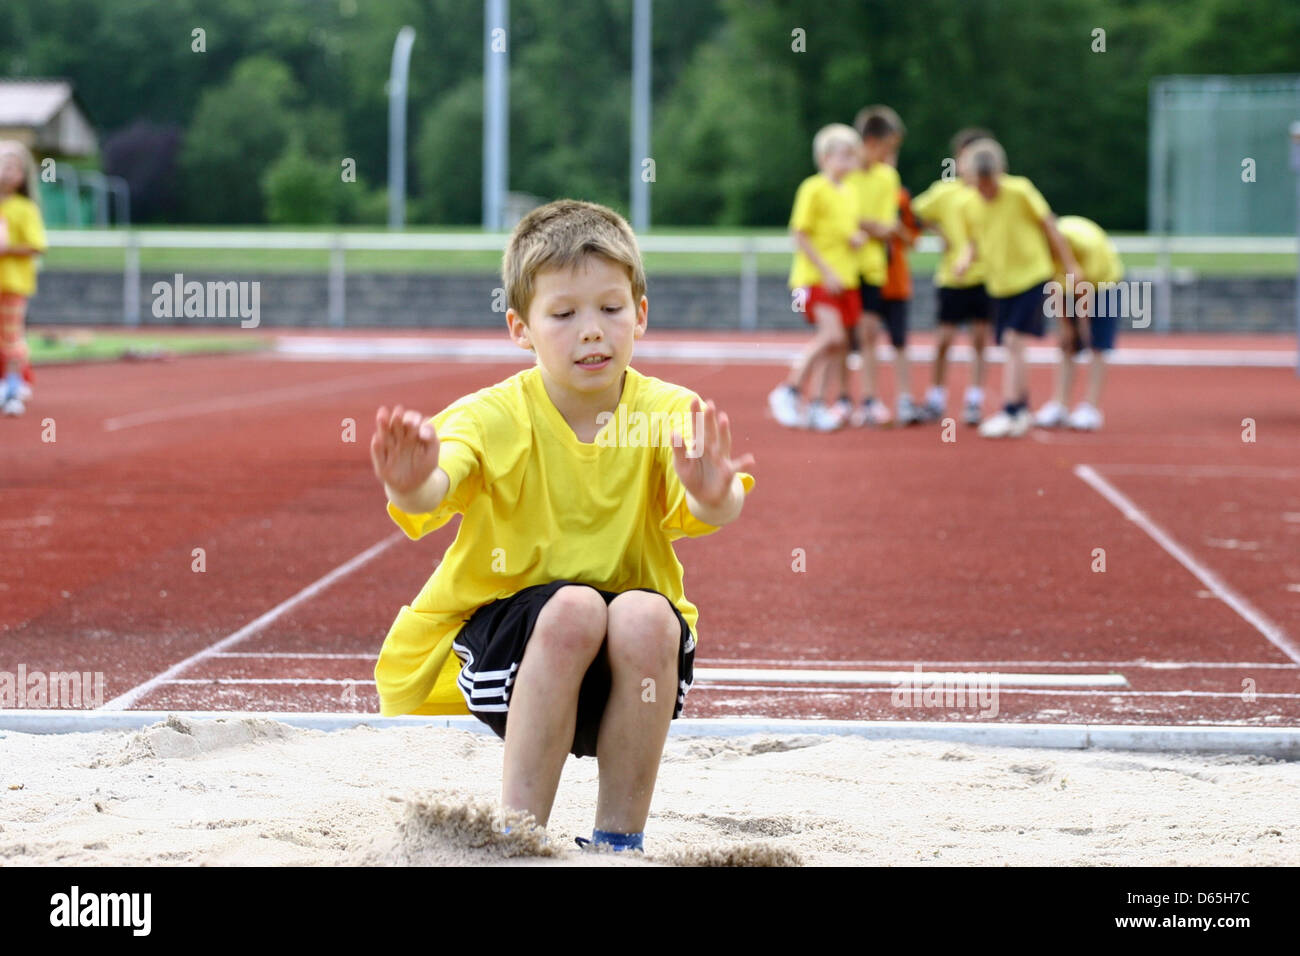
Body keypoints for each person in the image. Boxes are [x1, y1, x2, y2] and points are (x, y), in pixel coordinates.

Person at [370, 199, 755, 853]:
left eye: (610, 309)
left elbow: (714, 508)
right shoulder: (492, 415)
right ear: (521, 328)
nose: (592, 332)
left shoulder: (665, 412)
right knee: (575, 607)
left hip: (631, 671)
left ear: (640, 313)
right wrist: (411, 482)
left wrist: (713, 493)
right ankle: (517, 838)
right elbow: (438, 482)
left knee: (648, 617)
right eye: (564, 314)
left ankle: (617, 842)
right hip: (513, 653)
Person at [953, 138, 1079, 439]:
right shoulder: (967, 204)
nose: (985, 190)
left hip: (1031, 277)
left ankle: (1010, 409)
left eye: (989, 183)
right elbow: (974, 240)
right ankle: (1021, 408)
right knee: (1009, 344)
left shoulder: (1020, 191)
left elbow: (1049, 224)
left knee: (1013, 341)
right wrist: (964, 259)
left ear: (1000, 173)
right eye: (979, 184)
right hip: (999, 283)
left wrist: (1070, 264)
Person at [768, 123, 864, 431]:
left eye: (853, 156)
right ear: (824, 158)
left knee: (838, 346)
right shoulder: (813, 188)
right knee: (833, 337)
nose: (850, 162)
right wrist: (826, 270)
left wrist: (854, 239)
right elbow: (800, 233)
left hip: (846, 280)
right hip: (814, 279)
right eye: (844, 156)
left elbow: (839, 231)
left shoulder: (849, 193)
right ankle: (789, 389)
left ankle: (818, 404)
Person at [911, 128, 994, 426]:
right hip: (952, 277)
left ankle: (974, 399)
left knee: (981, 339)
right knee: (944, 339)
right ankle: (936, 396)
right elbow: (913, 212)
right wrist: (939, 232)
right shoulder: (945, 192)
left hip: (986, 276)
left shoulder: (992, 193)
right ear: (958, 161)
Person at [1034, 215, 1124, 431]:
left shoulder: (1086, 245)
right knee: (1067, 344)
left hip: (1103, 283)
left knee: (1097, 345)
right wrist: (1065, 326)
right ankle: (1060, 404)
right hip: (1072, 285)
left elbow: (1086, 287)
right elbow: (1054, 286)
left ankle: (1090, 408)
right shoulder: (1042, 245)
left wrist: (1083, 327)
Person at [845, 108, 902, 427]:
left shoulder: (887, 176)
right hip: (842, 265)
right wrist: (867, 226)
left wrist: (859, 225)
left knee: (868, 333)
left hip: (872, 265)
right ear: (869, 141)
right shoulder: (844, 172)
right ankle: (841, 399)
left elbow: (887, 227)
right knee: (842, 335)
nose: (891, 155)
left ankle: (869, 399)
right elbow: (840, 221)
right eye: (887, 147)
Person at [874, 109, 924, 426]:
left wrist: (895, 230)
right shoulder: (856, 190)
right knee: (861, 339)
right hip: (865, 278)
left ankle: (904, 398)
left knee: (900, 341)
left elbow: (913, 238)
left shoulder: (901, 196)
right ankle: (860, 399)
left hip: (895, 282)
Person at [0, 141, 48, 416]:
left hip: (13, 284)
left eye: (13, 167)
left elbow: (36, 244)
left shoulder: (25, 209)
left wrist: (7, 249)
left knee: (10, 337)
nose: (6, 172)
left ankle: (13, 386)